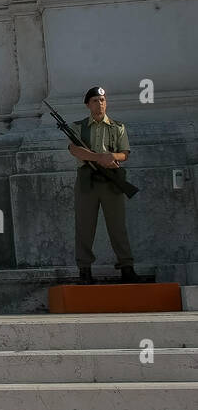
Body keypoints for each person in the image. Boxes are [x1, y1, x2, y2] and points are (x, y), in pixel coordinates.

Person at [66, 86, 137, 283]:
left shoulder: (117, 127)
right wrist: (101, 158)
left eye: (103, 100)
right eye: (96, 100)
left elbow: (125, 153)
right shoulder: (78, 127)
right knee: (84, 226)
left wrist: (112, 157)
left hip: (111, 181)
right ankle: (85, 270)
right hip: (87, 180)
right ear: (88, 105)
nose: (100, 104)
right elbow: (75, 150)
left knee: (117, 226)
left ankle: (127, 267)